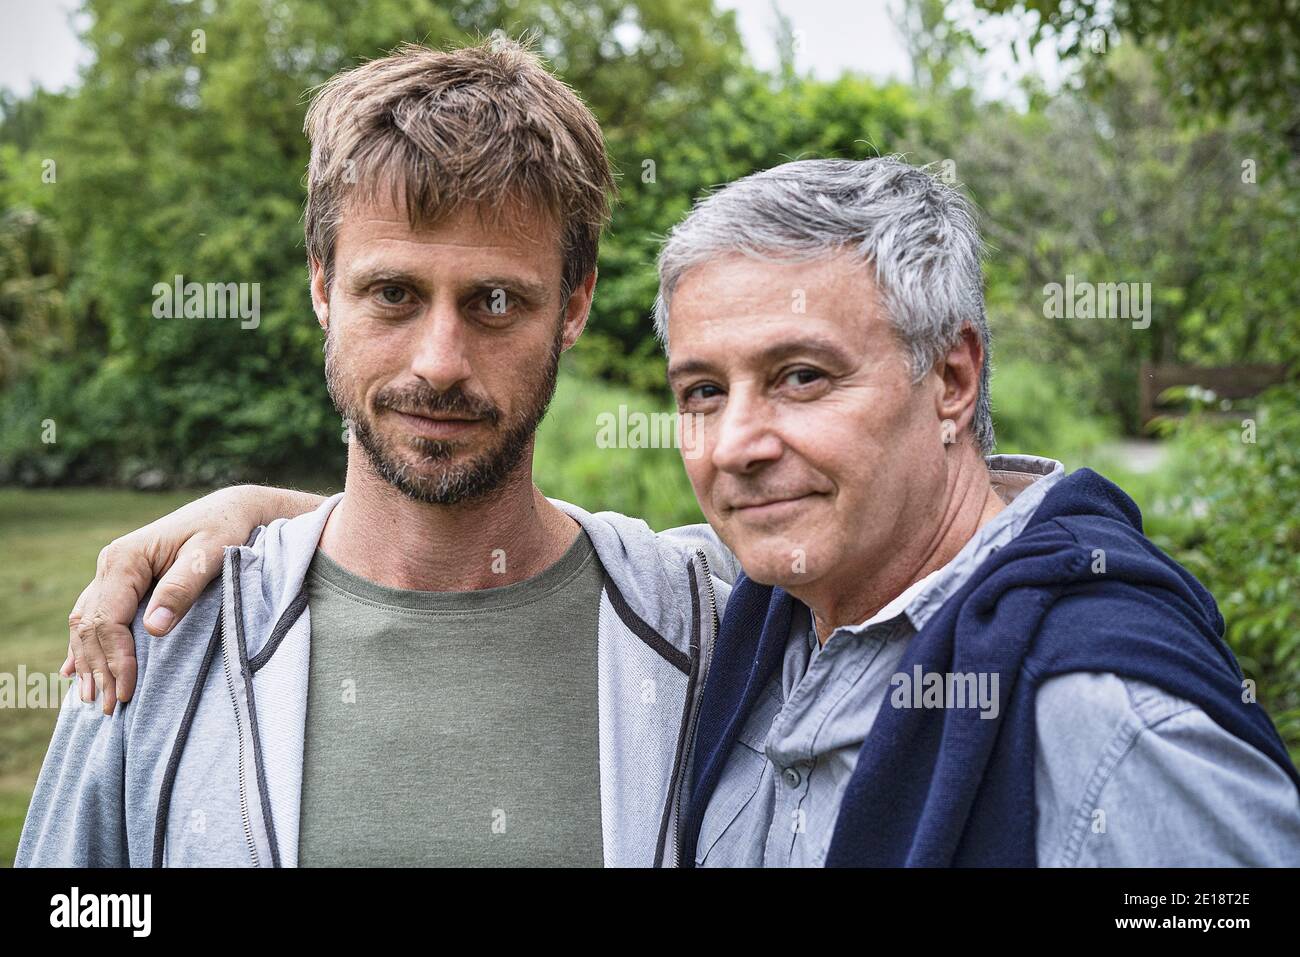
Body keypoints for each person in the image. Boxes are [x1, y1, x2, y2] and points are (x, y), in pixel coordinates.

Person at [46, 155, 1300, 868]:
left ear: (952, 377)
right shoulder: (741, 612)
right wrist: (264, 525)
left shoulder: (1106, 720)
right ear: (322, 293)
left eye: (802, 376)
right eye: (704, 390)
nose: (744, 444)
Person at [18, 37, 737, 868]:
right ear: (322, 287)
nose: (439, 359)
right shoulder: (164, 637)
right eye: (392, 293)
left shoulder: (712, 628)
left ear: (574, 307)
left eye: (495, 302)